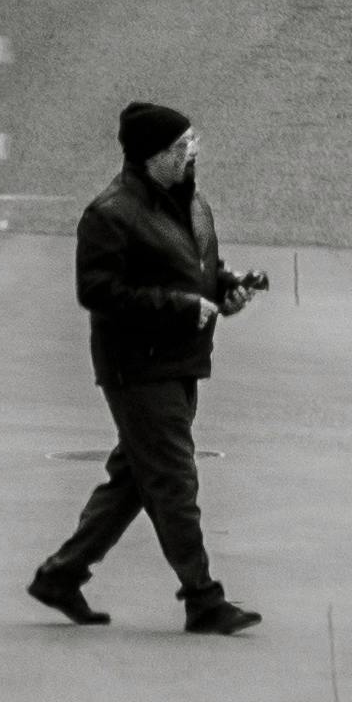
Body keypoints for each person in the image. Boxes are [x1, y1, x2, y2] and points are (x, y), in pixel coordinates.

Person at [29, 104, 264, 636]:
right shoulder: (110, 214)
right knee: (174, 481)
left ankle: (61, 575)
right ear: (152, 157)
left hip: (182, 361)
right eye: (181, 147)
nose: (193, 151)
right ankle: (202, 598)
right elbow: (98, 291)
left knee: (136, 477)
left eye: (193, 141)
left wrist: (226, 289)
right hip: (137, 368)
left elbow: (196, 270)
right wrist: (181, 307)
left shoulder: (193, 203)